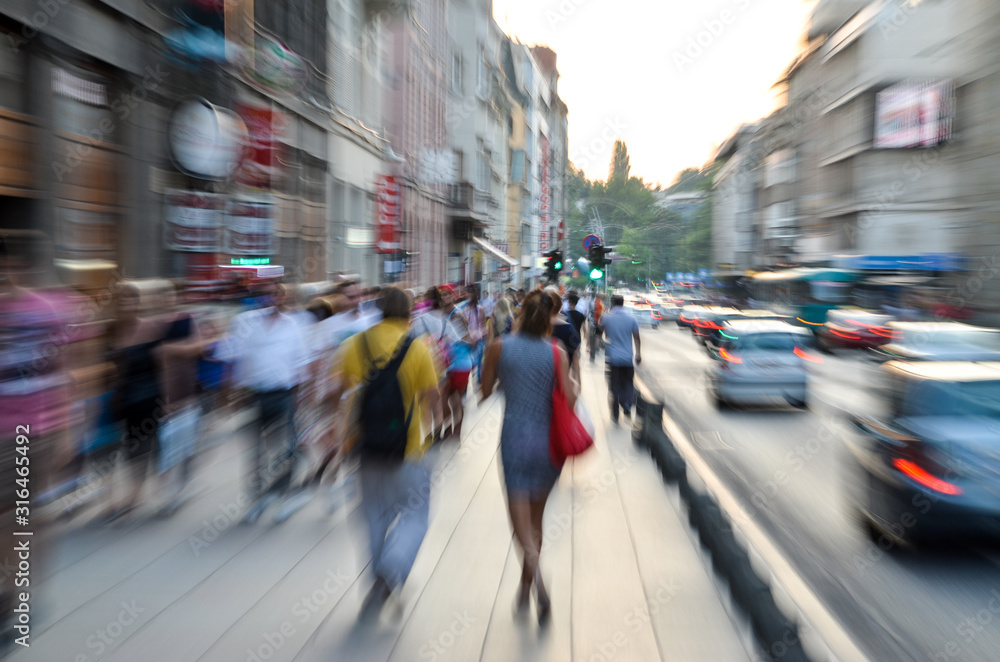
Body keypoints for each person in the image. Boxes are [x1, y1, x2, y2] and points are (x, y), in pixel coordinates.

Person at [327, 287, 441, 618]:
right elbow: (433, 397)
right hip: (408, 449)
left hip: (365, 448)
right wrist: (436, 429)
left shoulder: (354, 344)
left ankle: (377, 581)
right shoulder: (420, 347)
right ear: (410, 313)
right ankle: (392, 568)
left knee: (374, 516)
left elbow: (336, 392)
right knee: (415, 514)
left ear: (379, 310)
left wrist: (337, 431)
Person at [480, 290, 576, 624]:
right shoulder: (556, 352)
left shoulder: (499, 347)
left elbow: (484, 390)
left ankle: (538, 582)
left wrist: (500, 379)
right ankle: (525, 588)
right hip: (548, 444)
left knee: (520, 524)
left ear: (519, 315)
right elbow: (571, 399)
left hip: (515, 440)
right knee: (536, 522)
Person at [228, 283, 309, 523]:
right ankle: (257, 499)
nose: (273, 298)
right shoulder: (249, 323)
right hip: (256, 396)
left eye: (278, 294)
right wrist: (236, 392)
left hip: (284, 395)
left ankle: (280, 493)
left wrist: (301, 400)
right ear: (263, 297)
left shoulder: (293, 324)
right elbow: (242, 359)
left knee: (286, 450)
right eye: (269, 294)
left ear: (285, 297)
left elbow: (301, 362)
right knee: (256, 453)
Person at [602, 294, 641, 423]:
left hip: (613, 358)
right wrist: (638, 354)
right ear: (623, 303)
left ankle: (615, 414)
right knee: (628, 382)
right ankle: (627, 404)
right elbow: (637, 338)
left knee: (614, 386)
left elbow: (599, 332)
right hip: (627, 358)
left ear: (612, 303)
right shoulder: (631, 318)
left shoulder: (606, 317)